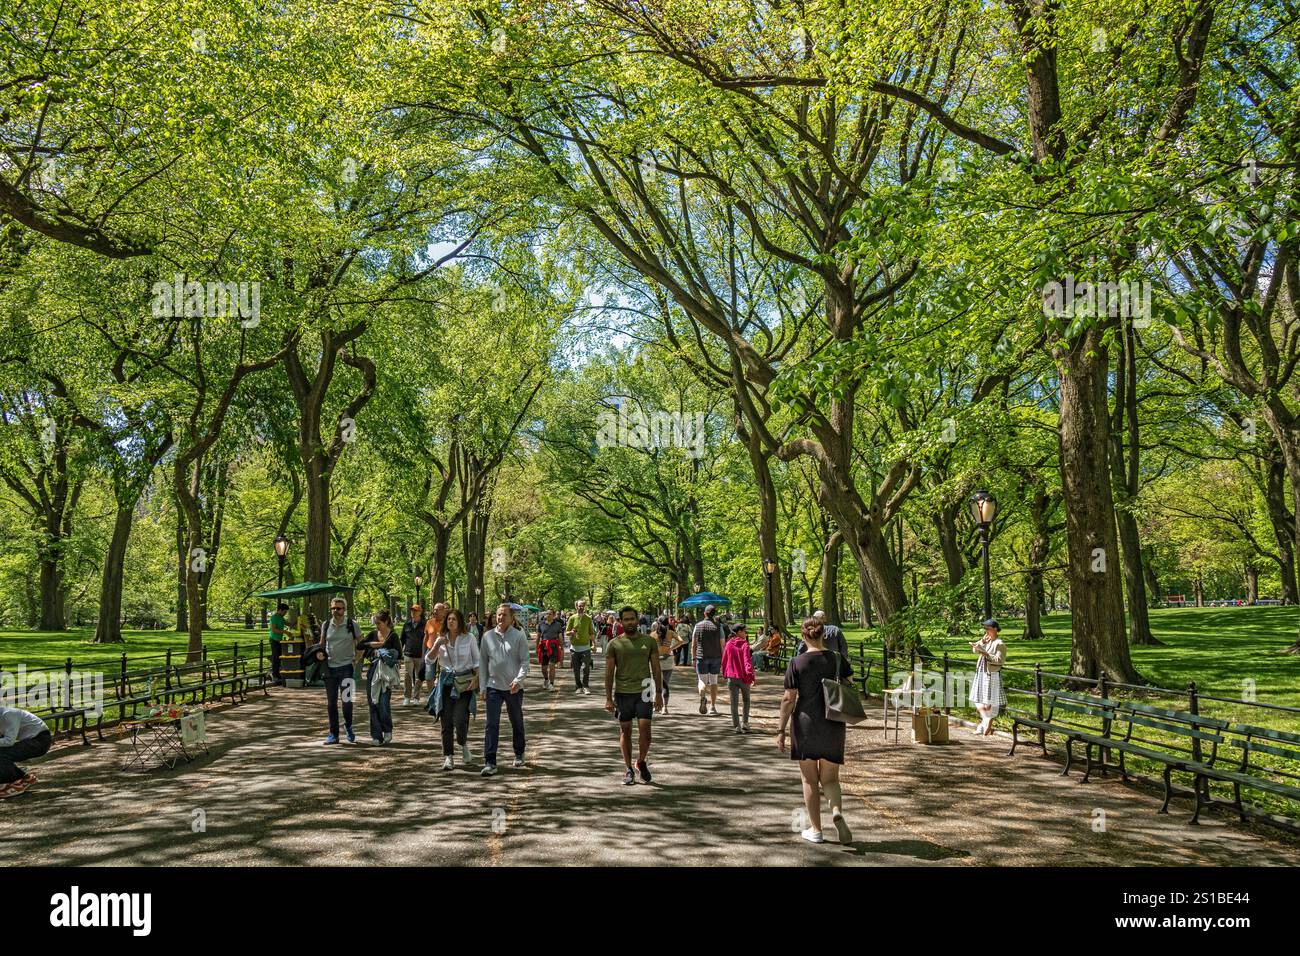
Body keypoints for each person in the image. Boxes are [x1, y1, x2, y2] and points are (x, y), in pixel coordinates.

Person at [777, 617, 854, 845]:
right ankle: (837, 811)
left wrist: (781, 729)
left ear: (803, 636)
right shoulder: (837, 659)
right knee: (830, 779)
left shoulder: (796, 663)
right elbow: (849, 682)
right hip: (833, 722)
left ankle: (816, 830)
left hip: (805, 723)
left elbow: (788, 699)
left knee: (809, 780)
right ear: (823, 635)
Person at [605, 605, 662, 784]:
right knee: (625, 730)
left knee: (646, 731)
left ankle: (641, 761)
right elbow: (608, 672)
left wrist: (659, 692)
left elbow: (656, 668)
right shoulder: (614, 643)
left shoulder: (649, 641)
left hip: (645, 689)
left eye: (633, 618)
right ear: (620, 622)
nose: (630, 622)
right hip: (623, 691)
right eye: (626, 619)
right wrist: (608, 698)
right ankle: (628, 768)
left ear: (637, 620)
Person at [478, 603, 530, 776]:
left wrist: (518, 680)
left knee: (516, 720)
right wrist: (482, 686)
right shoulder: (487, 637)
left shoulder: (518, 636)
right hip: (493, 686)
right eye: (498, 615)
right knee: (491, 724)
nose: (500, 618)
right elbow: (483, 663)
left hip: (513, 687)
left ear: (511, 618)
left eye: (504, 615)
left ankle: (519, 752)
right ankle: (490, 761)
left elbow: (525, 661)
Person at [428, 608, 480, 770]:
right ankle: (448, 756)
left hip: (464, 683)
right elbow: (429, 660)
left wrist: (477, 679)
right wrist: (437, 645)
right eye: (449, 619)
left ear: (460, 622)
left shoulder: (469, 638)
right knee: (446, 720)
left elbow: (477, 662)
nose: (450, 621)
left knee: (460, 719)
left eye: (454, 619)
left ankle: (463, 744)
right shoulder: (440, 639)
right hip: (446, 682)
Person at [321, 595, 364, 744]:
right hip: (330, 669)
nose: (335, 611)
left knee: (347, 701)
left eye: (338, 608)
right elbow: (321, 645)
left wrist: (356, 660)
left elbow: (361, 643)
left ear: (344, 610)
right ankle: (333, 734)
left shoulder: (352, 624)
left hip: (347, 668)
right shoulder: (326, 625)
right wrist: (320, 654)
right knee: (331, 703)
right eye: (333, 608)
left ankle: (348, 725)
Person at [360, 610, 402, 744]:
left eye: (379, 623)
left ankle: (387, 729)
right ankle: (376, 736)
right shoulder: (373, 634)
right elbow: (359, 645)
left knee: (383, 703)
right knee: (373, 703)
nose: (377, 626)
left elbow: (399, 654)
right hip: (373, 671)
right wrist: (371, 646)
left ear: (386, 622)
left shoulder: (393, 636)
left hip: (386, 674)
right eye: (375, 623)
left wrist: (386, 654)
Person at [0, 706, 51, 798]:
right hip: (31, 740)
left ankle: (13, 784)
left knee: (2, 754)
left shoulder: (9, 714)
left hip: (40, 740)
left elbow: (9, 741)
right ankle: (25, 778)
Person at [968, 619, 1007, 736]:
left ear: (995, 629)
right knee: (977, 699)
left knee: (987, 702)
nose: (986, 631)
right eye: (985, 628)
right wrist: (981, 642)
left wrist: (986, 654)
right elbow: (975, 650)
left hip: (991, 674)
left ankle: (982, 725)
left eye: (988, 628)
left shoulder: (999, 644)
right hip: (981, 672)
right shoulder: (987, 640)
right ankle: (986, 719)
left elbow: (999, 661)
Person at [690, 604, 726, 715]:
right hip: (715, 657)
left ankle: (702, 697)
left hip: (701, 657)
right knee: (714, 681)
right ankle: (713, 707)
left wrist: (693, 658)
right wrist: (723, 659)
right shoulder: (719, 626)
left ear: (705, 613)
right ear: (714, 614)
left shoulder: (698, 626)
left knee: (702, 680)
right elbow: (722, 644)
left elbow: (693, 644)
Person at [721, 622, 756, 733]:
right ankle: (745, 723)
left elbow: (724, 660)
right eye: (745, 631)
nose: (746, 633)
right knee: (746, 700)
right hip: (744, 677)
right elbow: (747, 661)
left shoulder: (729, 644)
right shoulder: (745, 644)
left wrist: (724, 673)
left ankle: (736, 726)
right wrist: (751, 675)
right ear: (739, 632)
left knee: (734, 702)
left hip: (731, 677)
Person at [654, 618, 684, 715]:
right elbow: (681, 641)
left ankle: (657, 705)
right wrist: (671, 648)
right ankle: (665, 708)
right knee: (665, 684)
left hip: (657, 661)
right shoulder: (671, 633)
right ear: (667, 624)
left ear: (658, 623)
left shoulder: (653, 634)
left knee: (658, 684)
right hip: (668, 660)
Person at [566, 599, 595, 695]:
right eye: (579, 606)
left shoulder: (588, 618)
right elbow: (567, 632)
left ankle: (585, 686)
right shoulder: (572, 618)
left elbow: (591, 633)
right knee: (576, 668)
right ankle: (578, 686)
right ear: (576, 607)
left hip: (586, 647)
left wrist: (594, 644)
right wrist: (571, 632)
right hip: (575, 648)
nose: (581, 607)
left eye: (582, 606)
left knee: (586, 667)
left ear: (585, 607)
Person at [401, 604, 427, 706]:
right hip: (408, 653)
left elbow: (426, 640)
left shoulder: (424, 625)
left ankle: (416, 697)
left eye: (415, 611)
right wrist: (399, 653)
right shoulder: (406, 624)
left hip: (420, 654)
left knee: (419, 676)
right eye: (412, 611)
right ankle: (407, 697)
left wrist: (426, 654)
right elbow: (402, 639)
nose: (413, 612)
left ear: (420, 612)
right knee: (407, 675)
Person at [536, 608, 565, 691]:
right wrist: (536, 647)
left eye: (550, 614)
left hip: (554, 647)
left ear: (554, 615)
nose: (548, 615)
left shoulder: (558, 625)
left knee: (552, 666)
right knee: (544, 668)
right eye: (547, 614)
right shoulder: (541, 624)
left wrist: (561, 646)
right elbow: (538, 636)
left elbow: (560, 636)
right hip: (544, 647)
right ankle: (546, 680)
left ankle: (551, 684)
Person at [268, 602, 289, 685]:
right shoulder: (274, 617)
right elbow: (274, 630)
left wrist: (298, 621)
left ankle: (278, 674)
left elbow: (288, 624)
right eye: (284, 612)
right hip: (274, 640)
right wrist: (285, 632)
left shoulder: (281, 618)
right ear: (280, 610)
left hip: (279, 640)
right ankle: (275, 675)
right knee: (276, 657)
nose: (285, 614)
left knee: (279, 657)